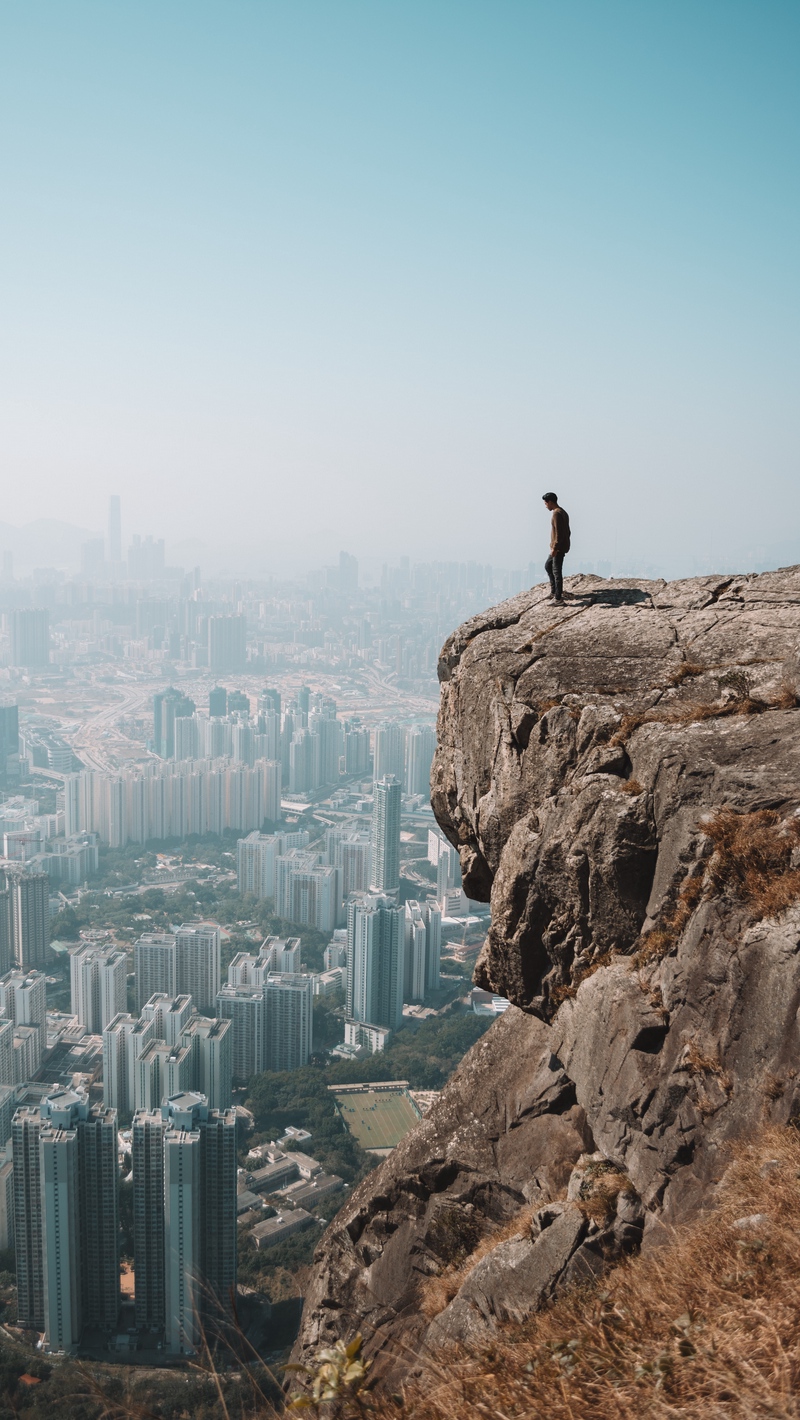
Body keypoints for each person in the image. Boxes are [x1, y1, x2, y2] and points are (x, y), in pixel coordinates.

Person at [542, 493, 570, 604]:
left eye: (545, 503)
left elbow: (559, 533)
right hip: (560, 546)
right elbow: (568, 531)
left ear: (550, 502)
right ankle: (554, 592)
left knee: (556, 571)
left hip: (558, 547)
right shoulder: (562, 512)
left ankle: (558, 598)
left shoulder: (557, 514)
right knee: (548, 566)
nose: (545, 506)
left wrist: (555, 547)